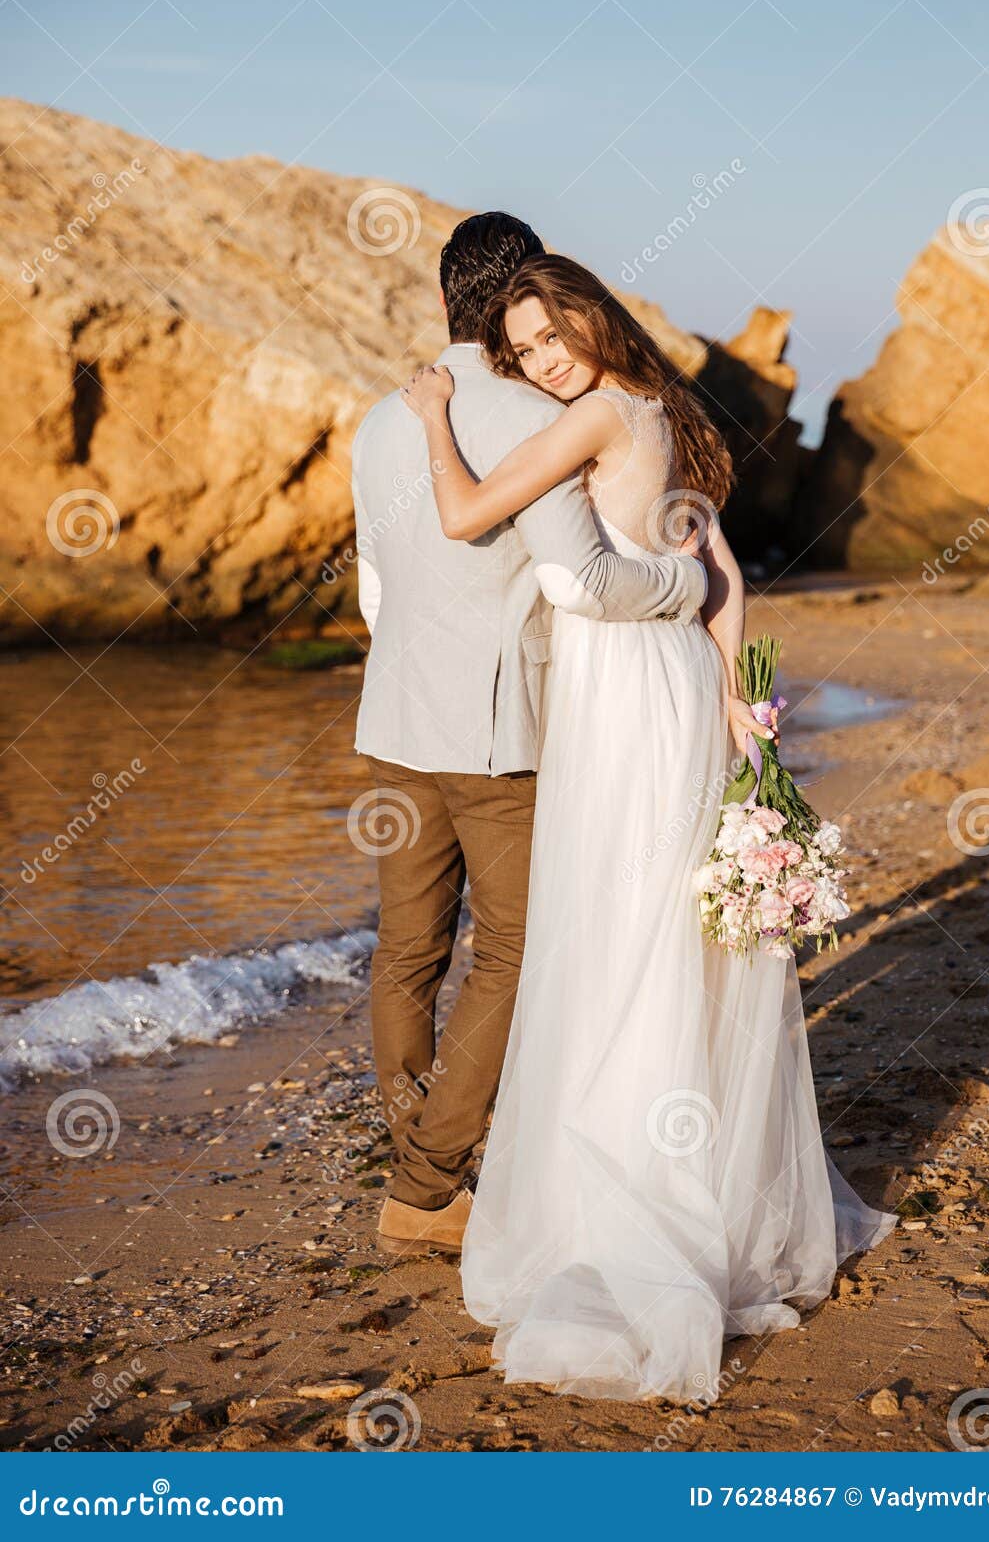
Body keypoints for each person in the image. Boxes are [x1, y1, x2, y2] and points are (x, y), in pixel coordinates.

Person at [401, 252, 895, 1403]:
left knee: (619, 929)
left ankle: (633, 1203)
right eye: (522, 351)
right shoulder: (662, 410)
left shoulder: (597, 418)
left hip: (624, 691)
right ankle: (703, 1178)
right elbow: (715, 563)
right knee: (666, 931)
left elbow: (466, 508)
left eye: (551, 334)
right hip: (668, 684)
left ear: (588, 316)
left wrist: (434, 415)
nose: (543, 359)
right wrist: (731, 693)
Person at [350, 216, 711, 1259]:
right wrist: (685, 582)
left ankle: (418, 1159)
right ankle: (423, 1185)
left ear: (440, 297)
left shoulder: (382, 417)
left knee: (407, 949)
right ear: (530, 294)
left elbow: (375, 589)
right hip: (495, 729)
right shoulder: (530, 411)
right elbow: (579, 580)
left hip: (394, 717)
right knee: (511, 946)